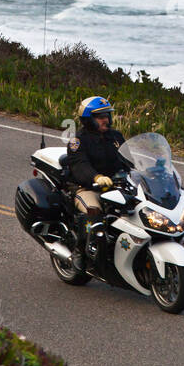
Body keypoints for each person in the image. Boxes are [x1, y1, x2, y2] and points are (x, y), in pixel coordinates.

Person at [66, 95, 130, 267]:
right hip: (86, 187)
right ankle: (79, 252)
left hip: (115, 185)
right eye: (100, 116)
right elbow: (80, 165)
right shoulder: (78, 141)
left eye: (107, 115)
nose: (105, 119)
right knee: (93, 211)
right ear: (88, 119)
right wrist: (97, 177)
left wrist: (153, 170)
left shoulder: (116, 136)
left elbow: (129, 159)